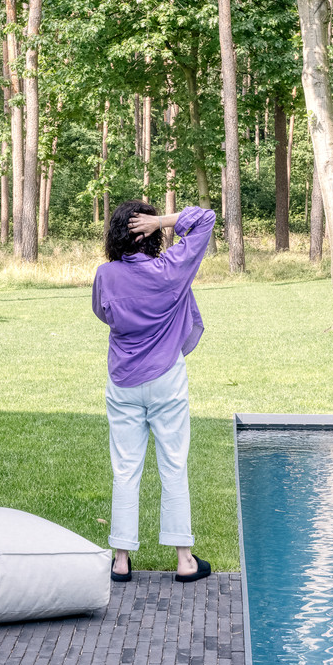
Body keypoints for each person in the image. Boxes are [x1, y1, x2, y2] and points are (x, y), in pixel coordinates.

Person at [91, 200, 215, 584]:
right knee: (173, 464)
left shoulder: (105, 276)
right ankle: (184, 561)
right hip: (166, 378)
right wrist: (161, 220)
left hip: (123, 380)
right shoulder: (171, 269)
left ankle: (121, 560)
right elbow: (205, 218)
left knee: (125, 469)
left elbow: (103, 313)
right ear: (149, 234)